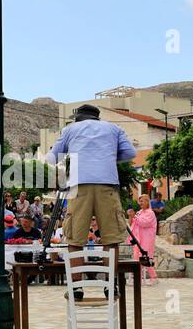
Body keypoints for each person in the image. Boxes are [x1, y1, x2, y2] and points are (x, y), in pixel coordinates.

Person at [45, 104, 136, 259]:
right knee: (111, 239)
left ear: (78, 118)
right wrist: (109, 157)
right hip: (107, 185)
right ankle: (110, 281)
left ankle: (77, 282)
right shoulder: (114, 128)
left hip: (79, 186)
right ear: (97, 117)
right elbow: (130, 153)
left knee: (75, 240)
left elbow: (51, 158)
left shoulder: (70, 130)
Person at [129, 194, 159, 284]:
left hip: (147, 238)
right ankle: (138, 277)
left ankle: (154, 277)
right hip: (138, 238)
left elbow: (144, 223)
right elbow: (133, 223)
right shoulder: (139, 212)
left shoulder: (151, 213)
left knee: (145, 258)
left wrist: (135, 216)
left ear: (147, 201)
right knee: (136, 257)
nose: (140, 203)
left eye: (142, 201)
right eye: (139, 201)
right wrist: (131, 216)